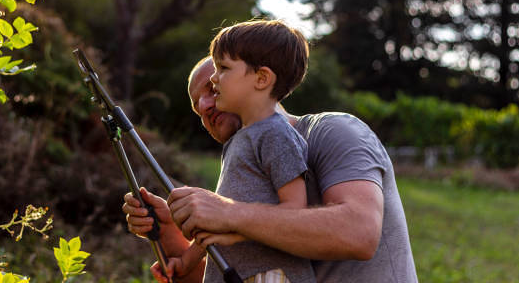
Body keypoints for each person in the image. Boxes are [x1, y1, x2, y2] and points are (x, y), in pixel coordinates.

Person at [123, 44, 418, 283]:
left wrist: (228, 213)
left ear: (259, 80)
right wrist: (170, 232)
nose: (203, 107)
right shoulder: (244, 177)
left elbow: (359, 234)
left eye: (213, 88)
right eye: (195, 106)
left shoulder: (333, 131)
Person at [164, 20, 315, 283]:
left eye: (223, 68)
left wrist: (238, 227)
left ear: (261, 78)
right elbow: (219, 223)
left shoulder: (276, 134)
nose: (214, 77)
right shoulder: (240, 140)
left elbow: (296, 212)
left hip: (271, 275)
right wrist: (185, 261)